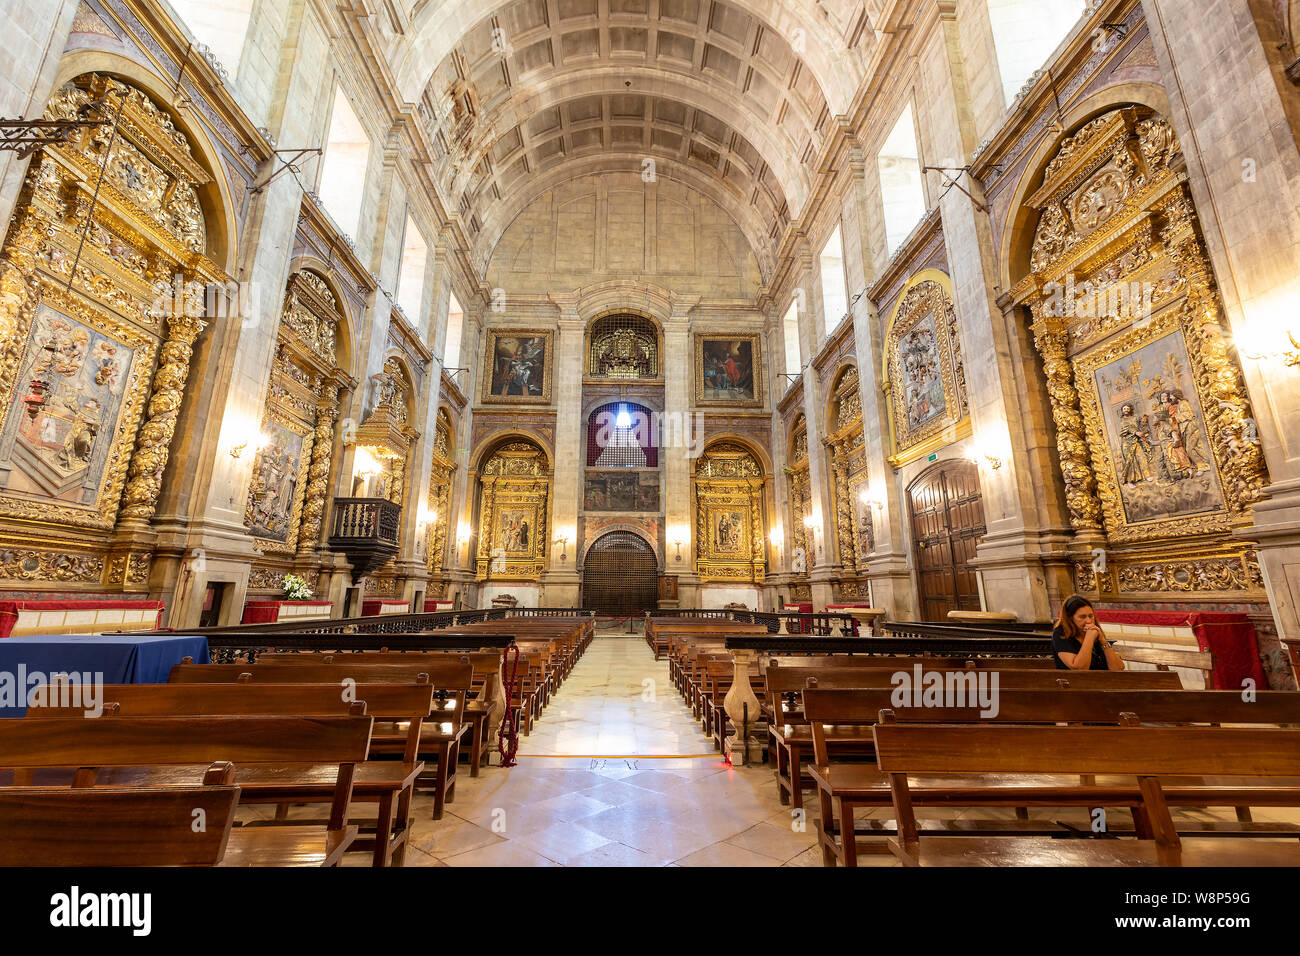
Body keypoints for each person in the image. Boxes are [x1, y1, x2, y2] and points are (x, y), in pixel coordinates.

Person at [1052, 594, 1125, 671]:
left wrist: (1103, 641)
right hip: (1075, 681)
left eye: (1091, 616)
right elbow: (1080, 669)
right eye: (1082, 617)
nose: (1089, 621)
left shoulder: (1095, 631)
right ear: (1070, 618)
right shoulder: (1061, 633)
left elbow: (1118, 669)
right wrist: (1089, 638)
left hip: (1103, 680)